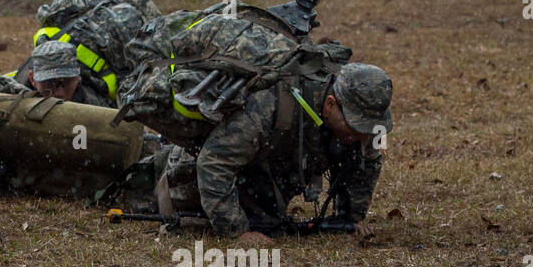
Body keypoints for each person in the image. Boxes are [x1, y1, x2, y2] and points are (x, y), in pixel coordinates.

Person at [148, 63, 393, 242]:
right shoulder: (270, 103)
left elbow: (368, 163)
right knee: (140, 183)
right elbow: (214, 162)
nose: (363, 135)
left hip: (258, 180)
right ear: (330, 104)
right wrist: (237, 232)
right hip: (193, 177)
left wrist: (351, 218)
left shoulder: (362, 117)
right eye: (356, 125)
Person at [13, 39, 107, 105]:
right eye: (50, 83)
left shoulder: (93, 104)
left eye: (67, 82)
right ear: (32, 79)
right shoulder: (13, 97)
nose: (59, 93)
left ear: (78, 78)